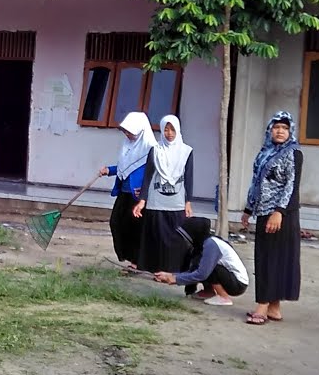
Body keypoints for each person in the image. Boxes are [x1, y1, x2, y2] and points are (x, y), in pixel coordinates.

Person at [241, 111, 303, 324]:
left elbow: (291, 185)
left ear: (290, 131)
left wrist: (279, 212)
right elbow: (256, 181)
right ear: (270, 129)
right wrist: (249, 209)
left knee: (273, 259)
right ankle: (274, 308)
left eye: (284, 128)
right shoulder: (264, 152)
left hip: (281, 215)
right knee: (266, 257)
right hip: (263, 212)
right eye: (276, 127)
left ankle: (262, 305)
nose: (280, 131)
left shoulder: (293, 153)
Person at [133, 114, 193, 273]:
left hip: (177, 202)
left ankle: (174, 270)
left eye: (172, 129)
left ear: (178, 130)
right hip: (156, 201)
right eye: (166, 129)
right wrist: (142, 200)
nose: (169, 133)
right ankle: (155, 269)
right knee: (157, 236)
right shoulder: (156, 150)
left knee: (176, 237)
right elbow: (148, 175)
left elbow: (188, 177)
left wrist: (188, 202)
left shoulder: (186, 151)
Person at [98, 112, 155, 269]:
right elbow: (125, 167)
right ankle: (127, 256)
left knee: (135, 228)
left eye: (130, 131)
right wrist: (109, 170)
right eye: (125, 131)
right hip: (124, 191)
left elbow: (154, 173)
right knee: (116, 222)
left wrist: (145, 192)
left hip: (138, 196)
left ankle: (136, 262)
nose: (127, 134)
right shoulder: (128, 147)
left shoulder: (151, 149)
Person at [153, 217, 247, 306]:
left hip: (238, 284)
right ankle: (208, 291)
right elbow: (193, 270)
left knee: (208, 267)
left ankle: (223, 297)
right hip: (231, 279)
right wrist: (169, 275)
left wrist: (175, 279)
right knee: (203, 264)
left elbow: (201, 274)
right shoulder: (204, 244)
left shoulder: (211, 244)